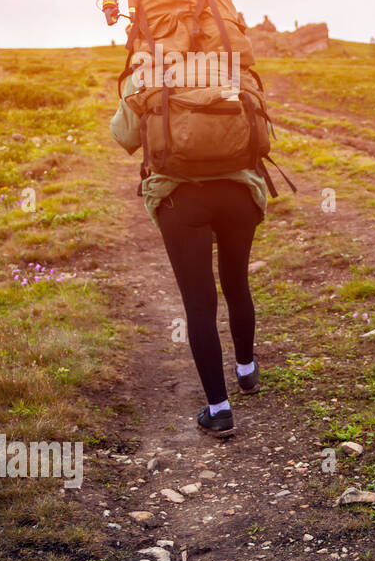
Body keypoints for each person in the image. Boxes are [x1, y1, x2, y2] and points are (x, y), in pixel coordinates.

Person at [110, 72, 267, 438]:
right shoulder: (232, 62)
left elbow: (124, 136)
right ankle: (246, 372)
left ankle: (220, 411)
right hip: (240, 192)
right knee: (236, 281)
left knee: (199, 303)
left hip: (181, 198)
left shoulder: (147, 68)